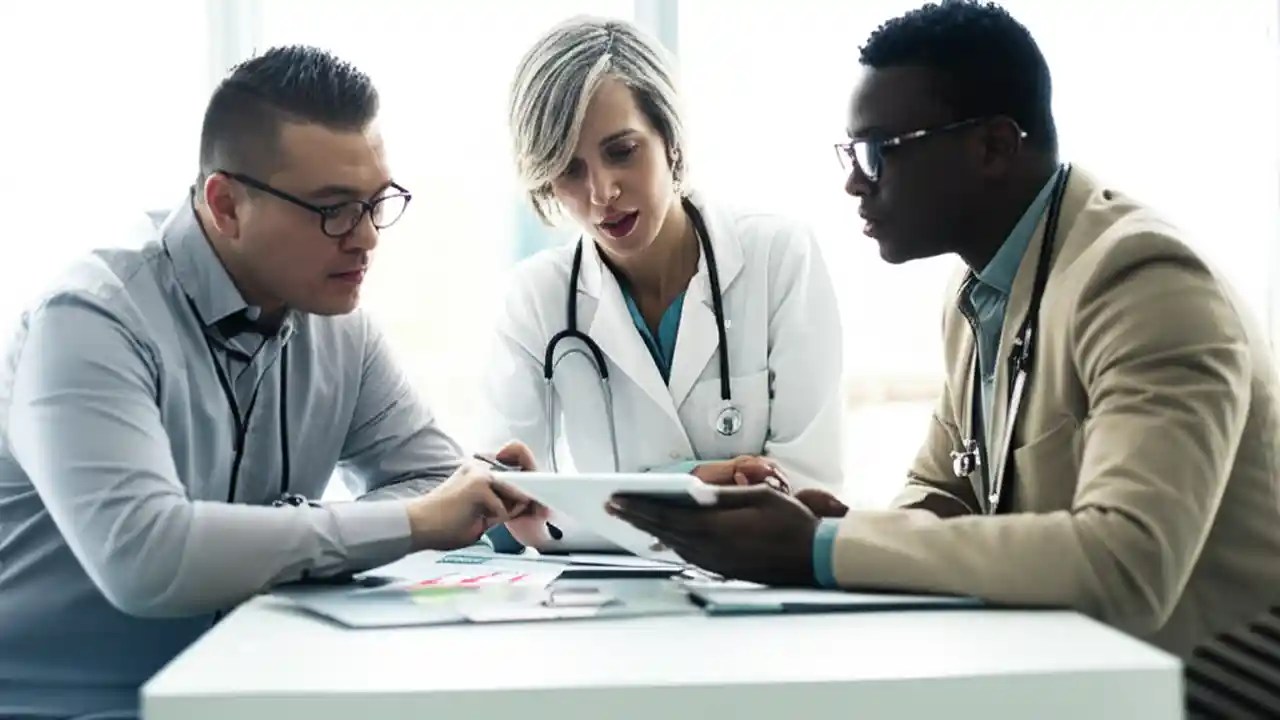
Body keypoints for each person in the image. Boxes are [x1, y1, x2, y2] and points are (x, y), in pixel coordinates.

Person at [608, 0, 1280, 658]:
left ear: (992, 147)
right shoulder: (980, 292)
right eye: (850, 152)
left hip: (1211, 686)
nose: (853, 184)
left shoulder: (1141, 280)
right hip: (1079, 670)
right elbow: (947, 497)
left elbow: (1127, 565)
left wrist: (818, 549)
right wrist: (829, 524)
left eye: (878, 152)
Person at [0, 45, 543, 718]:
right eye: (334, 209)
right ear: (225, 205)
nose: (368, 237)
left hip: (245, 692)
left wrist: (449, 502)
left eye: (378, 203)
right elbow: (144, 557)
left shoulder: (337, 322)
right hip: (66, 708)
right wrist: (401, 522)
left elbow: (436, 485)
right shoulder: (89, 321)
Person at [481, 16, 845, 519]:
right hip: (603, 588)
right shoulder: (535, 298)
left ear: (670, 138)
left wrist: (628, 499)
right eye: (569, 169)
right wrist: (691, 482)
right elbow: (505, 502)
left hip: (755, 582)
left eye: (622, 152)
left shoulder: (778, 257)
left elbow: (809, 484)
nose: (602, 192)